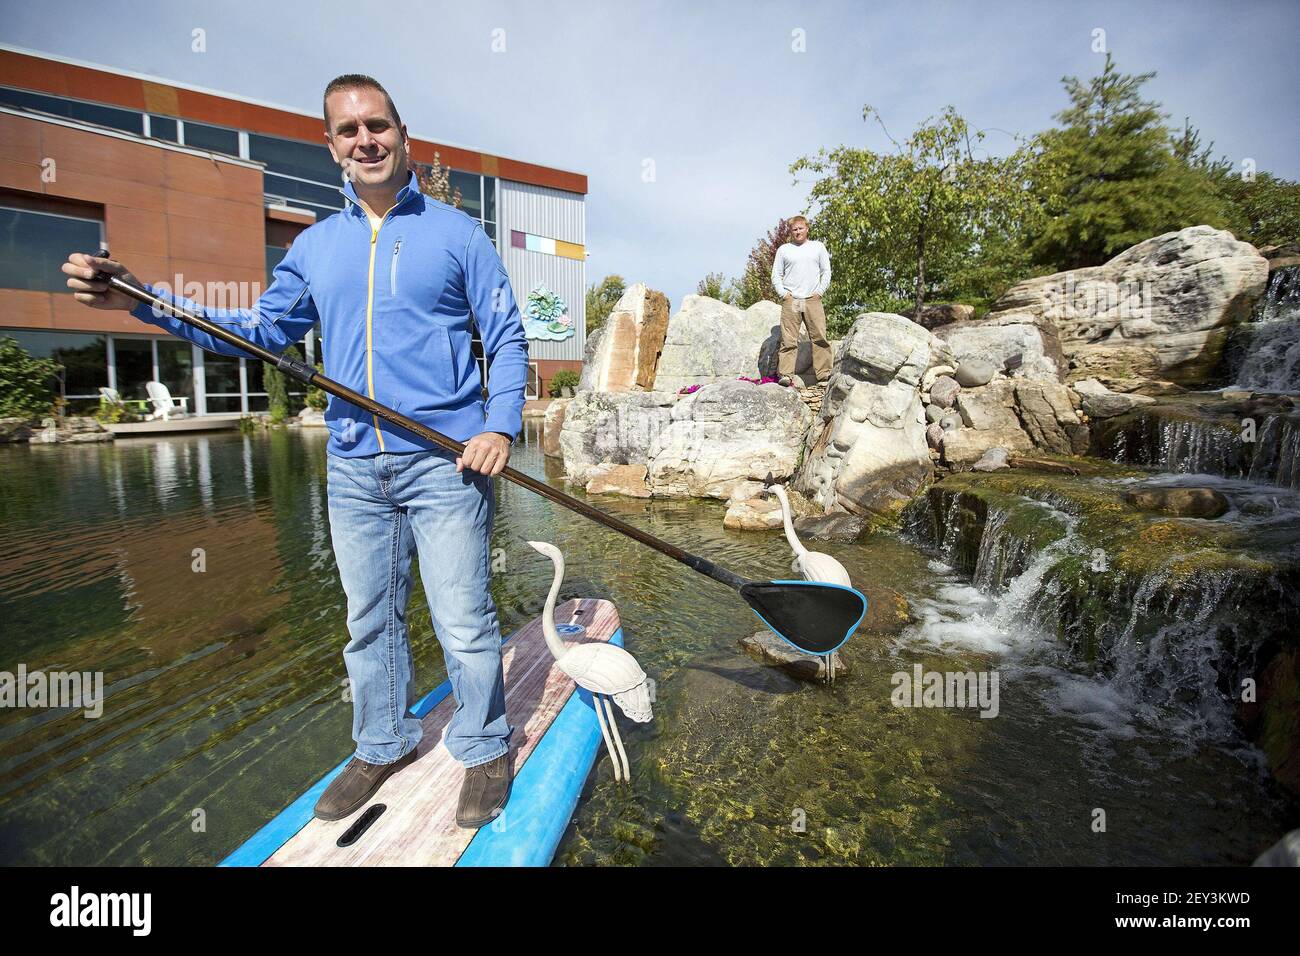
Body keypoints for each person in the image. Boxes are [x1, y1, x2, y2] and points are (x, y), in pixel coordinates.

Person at [62, 74, 527, 829]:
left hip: (446, 461)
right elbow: (259, 332)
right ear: (332, 146)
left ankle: (482, 745)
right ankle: (382, 742)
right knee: (369, 620)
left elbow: (505, 336)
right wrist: (142, 300)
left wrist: (499, 425)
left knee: (464, 620)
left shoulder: (458, 236)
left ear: (404, 133)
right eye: (348, 131)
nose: (365, 140)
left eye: (377, 125)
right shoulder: (316, 247)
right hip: (353, 466)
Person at [770, 215, 832, 387]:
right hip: (792, 299)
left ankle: (824, 374)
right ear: (791, 231)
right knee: (789, 339)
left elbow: (826, 271)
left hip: (812, 298)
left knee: (819, 336)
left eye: (800, 228)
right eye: (794, 229)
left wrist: (820, 292)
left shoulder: (818, 247)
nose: (797, 232)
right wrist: (783, 293)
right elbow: (776, 274)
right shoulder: (784, 250)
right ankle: (786, 375)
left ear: (807, 228)